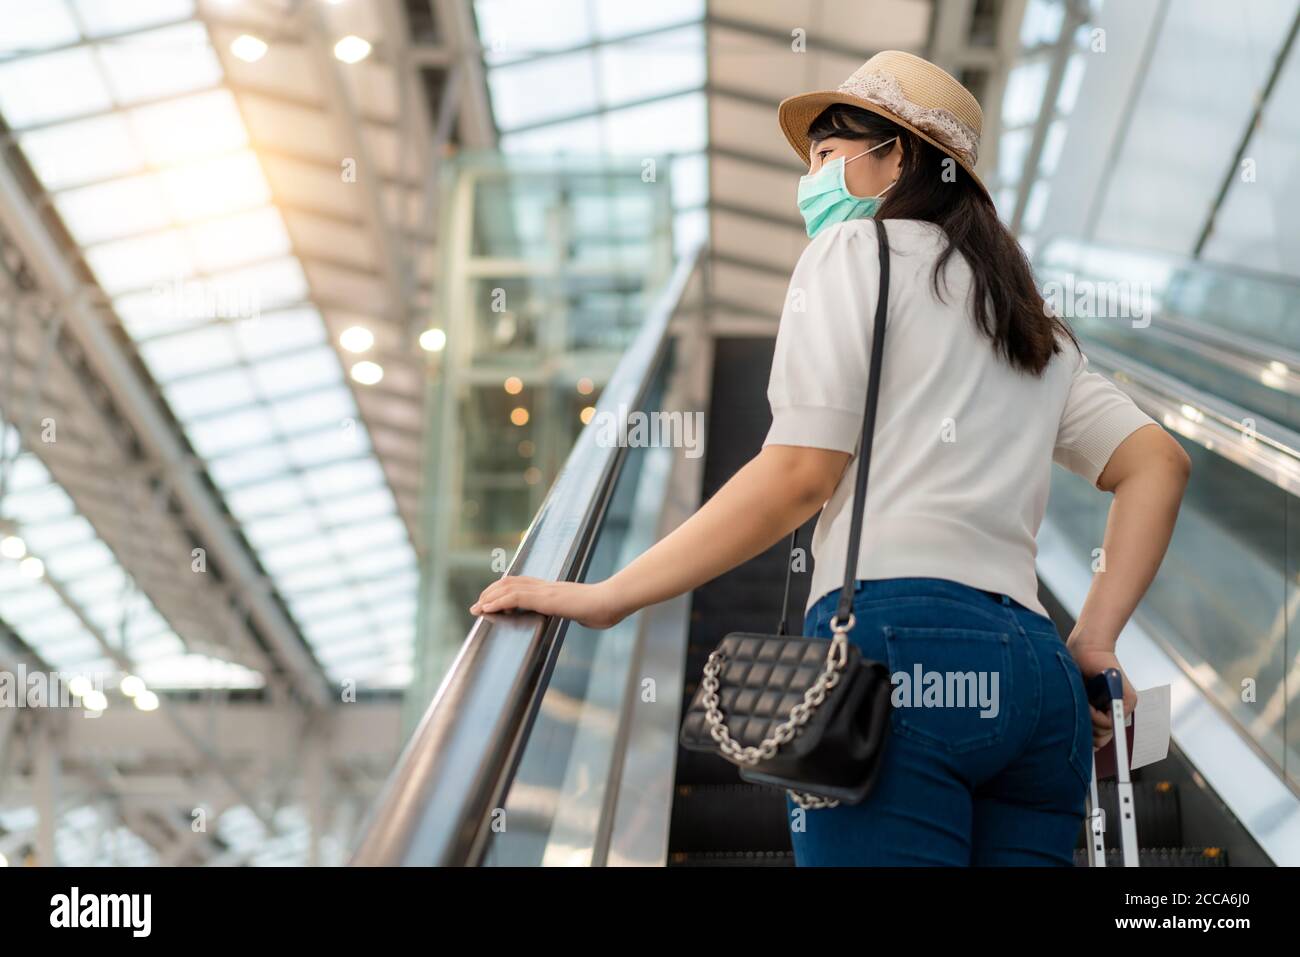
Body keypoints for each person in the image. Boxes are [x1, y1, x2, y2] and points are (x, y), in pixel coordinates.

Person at [470, 51, 1190, 866]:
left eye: (825, 153)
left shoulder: (854, 256)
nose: (807, 178)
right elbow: (1156, 462)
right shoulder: (1027, 323)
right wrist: (1093, 638)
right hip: (1037, 680)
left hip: (892, 654)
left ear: (900, 157)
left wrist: (610, 595)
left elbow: (799, 474)